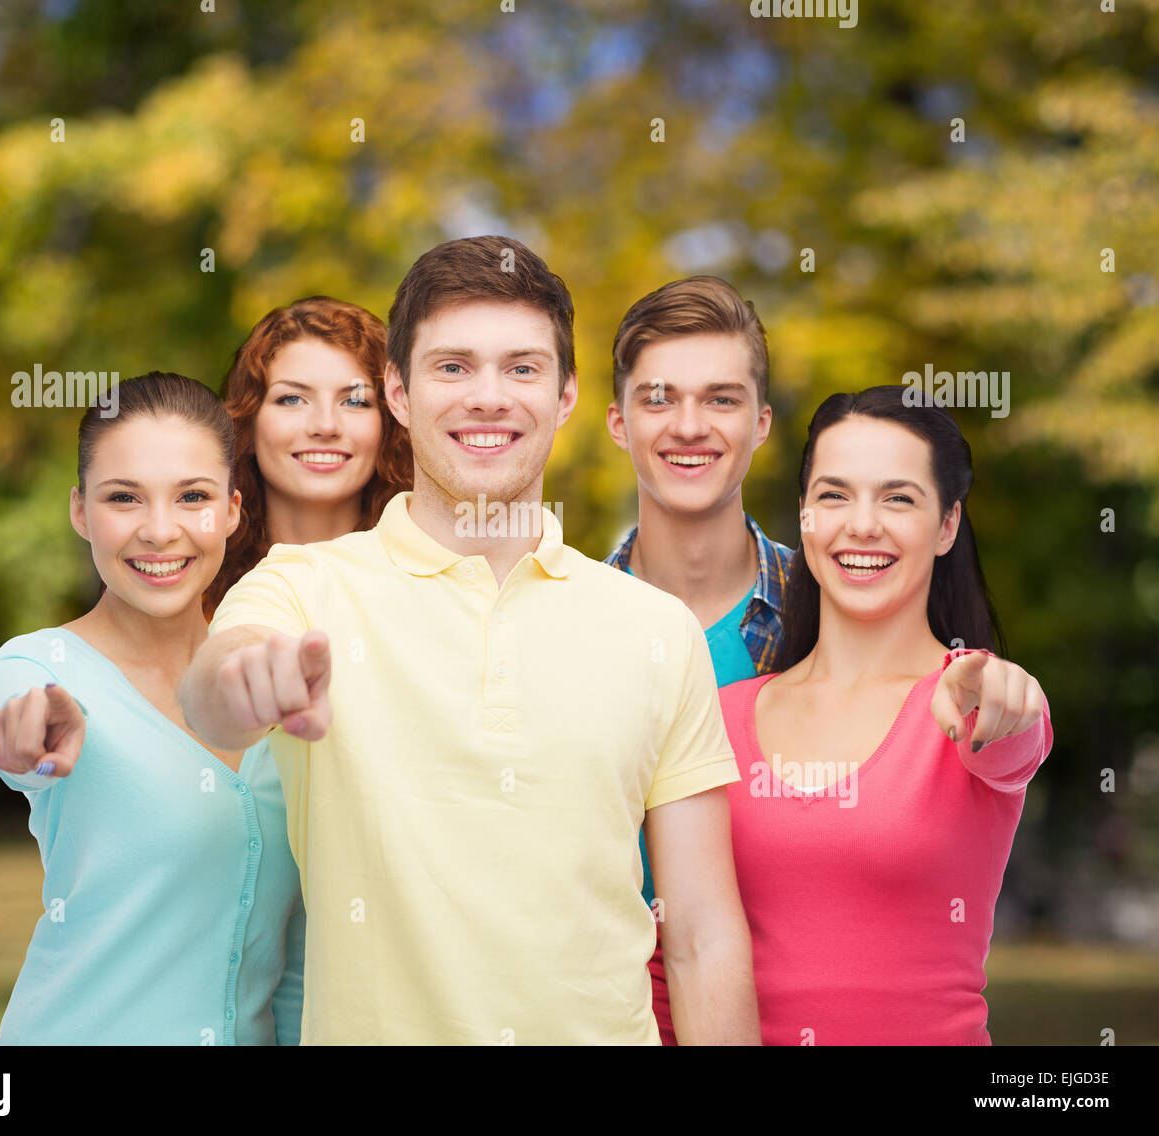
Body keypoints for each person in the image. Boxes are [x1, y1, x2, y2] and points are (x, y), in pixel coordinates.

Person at [180, 235, 760, 1045]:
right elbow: (213, 688)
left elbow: (700, 933)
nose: (488, 397)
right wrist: (246, 681)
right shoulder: (303, 587)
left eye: (521, 368)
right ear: (399, 393)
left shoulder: (655, 628)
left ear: (565, 397)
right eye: (453, 367)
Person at [720, 385, 1052, 1045]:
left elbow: (1015, 733)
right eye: (834, 495)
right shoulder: (722, 715)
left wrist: (1014, 699)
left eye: (898, 497)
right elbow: (676, 963)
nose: (862, 524)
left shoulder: (970, 700)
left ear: (948, 525)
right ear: (805, 516)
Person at [0, 373, 304, 1045]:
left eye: (192, 497)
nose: (160, 532)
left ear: (234, 510)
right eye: (124, 498)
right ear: (79, 511)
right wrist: (30, 741)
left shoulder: (271, 675)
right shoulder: (38, 669)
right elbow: (24, 733)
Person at [603, 276, 793, 1043]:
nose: (689, 426)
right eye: (659, 399)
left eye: (721, 399)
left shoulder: (834, 616)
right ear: (618, 422)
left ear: (761, 422)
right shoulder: (560, 628)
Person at [204, 297, 412, 619]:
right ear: (249, 422)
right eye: (292, 399)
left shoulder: (432, 591)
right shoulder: (195, 597)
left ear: (389, 424)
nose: (325, 426)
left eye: (355, 401)